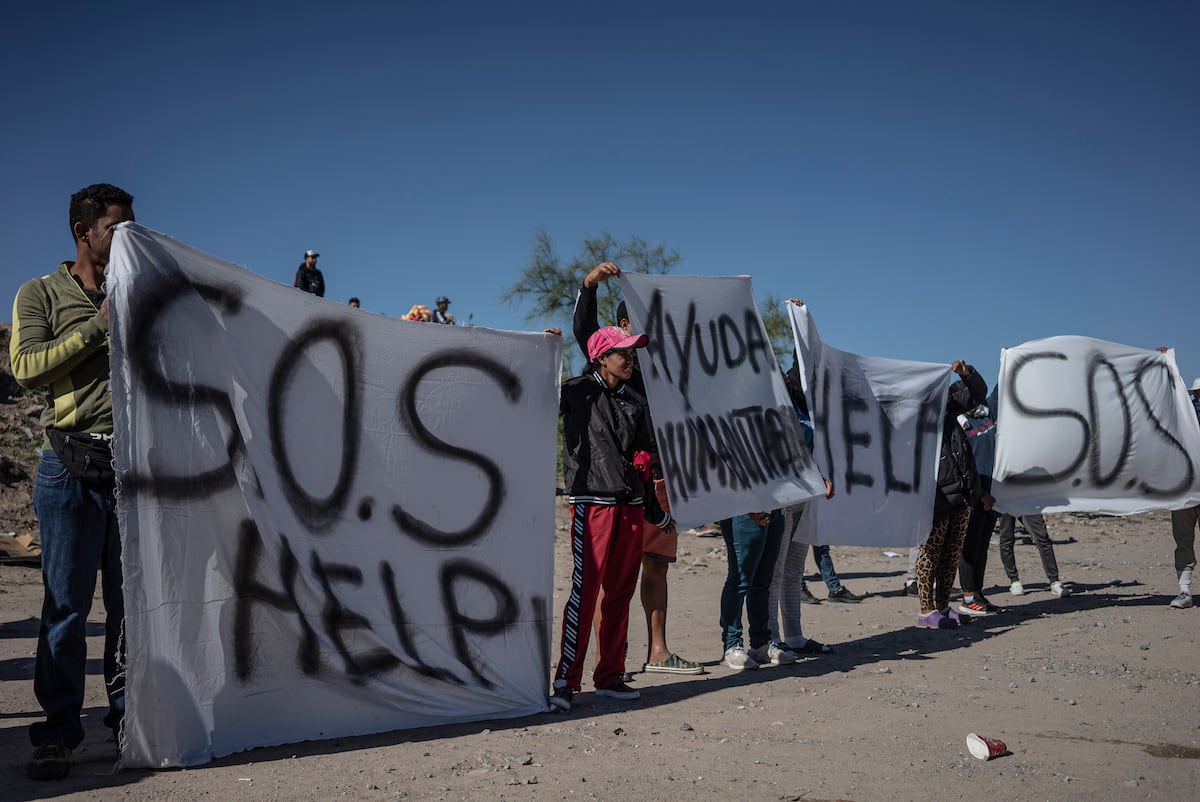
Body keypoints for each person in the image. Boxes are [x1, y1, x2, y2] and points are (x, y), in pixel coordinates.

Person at [10, 183, 135, 780]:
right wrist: (99, 326)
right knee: (65, 607)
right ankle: (58, 732)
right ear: (83, 233)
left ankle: (126, 724)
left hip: (135, 470)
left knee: (128, 607)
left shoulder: (140, 288)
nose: (127, 235)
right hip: (69, 466)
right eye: (117, 227)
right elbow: (27, 369)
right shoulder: (40, 293)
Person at [572, 262, 700, 676]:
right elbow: (585, 332)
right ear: (624, 325)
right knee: (609, 578)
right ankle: (607, 661)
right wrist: (590, 285)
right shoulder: (613, 369)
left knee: (655, 567)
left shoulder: (667, 369)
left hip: (661, 480)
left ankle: (658, 651)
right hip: (613, 489)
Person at [550, 326, 674, 712]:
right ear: (600, 357)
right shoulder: (574, 391)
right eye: (622, 352)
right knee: (586, 592)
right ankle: (565, 681)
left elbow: (643, 462)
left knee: (620, 593)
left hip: (632, 509)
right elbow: (529, 402)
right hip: (592, 503)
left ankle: (609, 677)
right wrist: (544, 352)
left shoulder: (636, 402)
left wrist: (657, 513)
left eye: (632, 352)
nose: (630, 357)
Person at [915, 360, 992, 629]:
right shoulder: (917, 414)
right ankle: (926, 611)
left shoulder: (950, 405)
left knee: (951, 554)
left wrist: (966, 372)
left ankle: (943, 606)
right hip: (936, 496)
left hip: (962, 494)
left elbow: (977, 392)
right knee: (930, 554)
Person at [956, 404, 1002, 615]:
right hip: (973, 496)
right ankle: (967, 597)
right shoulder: (958, 425)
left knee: (982, 548)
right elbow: (962, 465)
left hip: (992, 496)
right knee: (969, 547)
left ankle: (977, 592)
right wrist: (979, 493)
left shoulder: (987, 417)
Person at [1167, 377, 1200, 609]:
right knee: (1183, 539)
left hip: (1184, 488)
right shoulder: (1182, 417)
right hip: (1185, 488)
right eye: (1196, 394)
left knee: (1183, 539)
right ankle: (1184, 591)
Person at [998, 514, 1069, 597]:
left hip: (1027, 503)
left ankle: (1054, 581)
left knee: (1042, 537)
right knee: (1006, 538)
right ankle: (1014, 581)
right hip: (1005, 503)